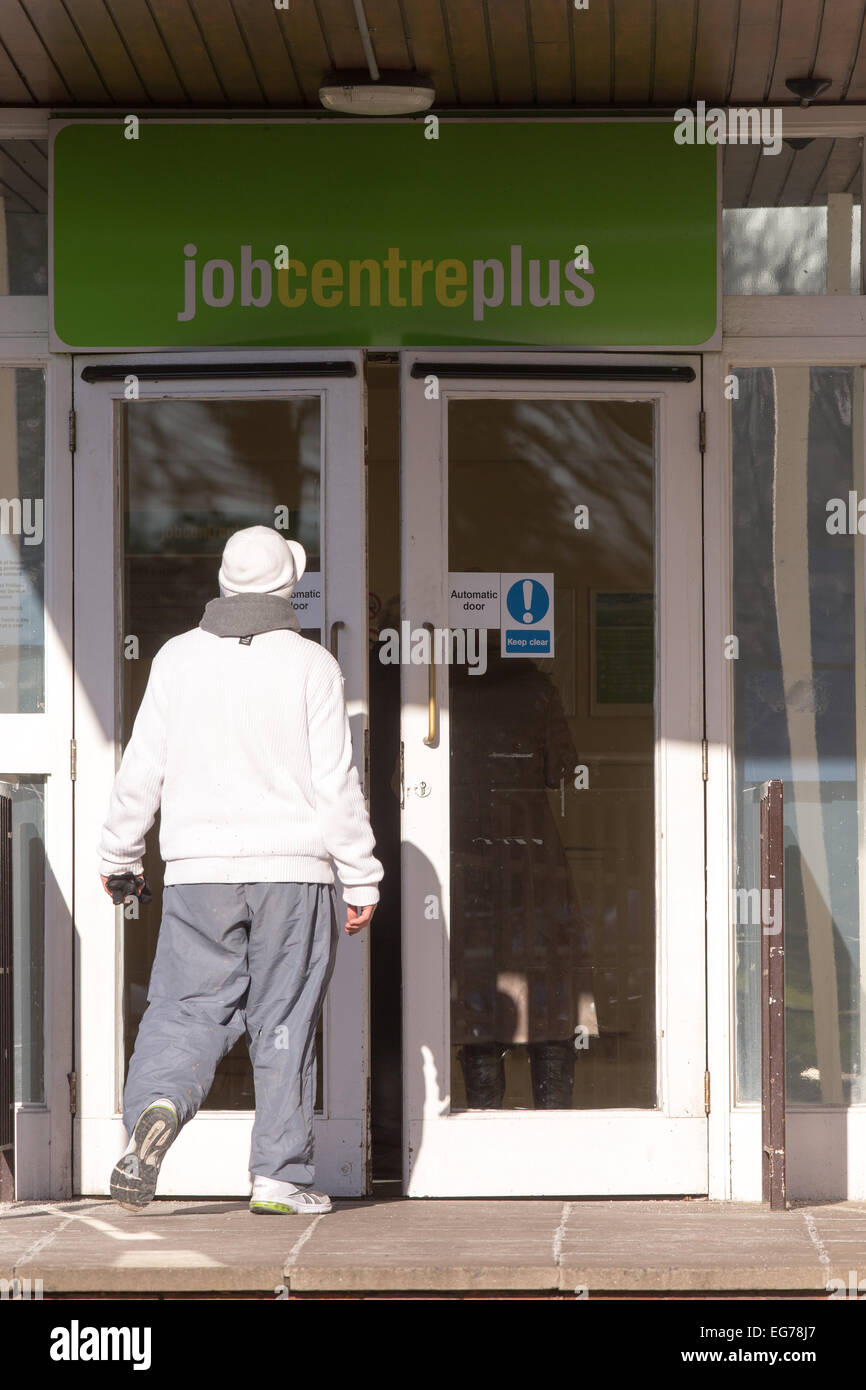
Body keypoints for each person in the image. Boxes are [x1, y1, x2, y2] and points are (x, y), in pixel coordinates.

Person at [98, 525, 383, 1215]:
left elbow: (143, 765)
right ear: (290, 583)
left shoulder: (176, 659)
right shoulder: (312, 664)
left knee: (186, 1008)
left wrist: (120, 854)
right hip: (294, 871)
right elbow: (335, 782)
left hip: (200, 871)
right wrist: (361, 873)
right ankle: (279, 1176)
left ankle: (159, 1104)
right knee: (283, 1018)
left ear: (223, 583)